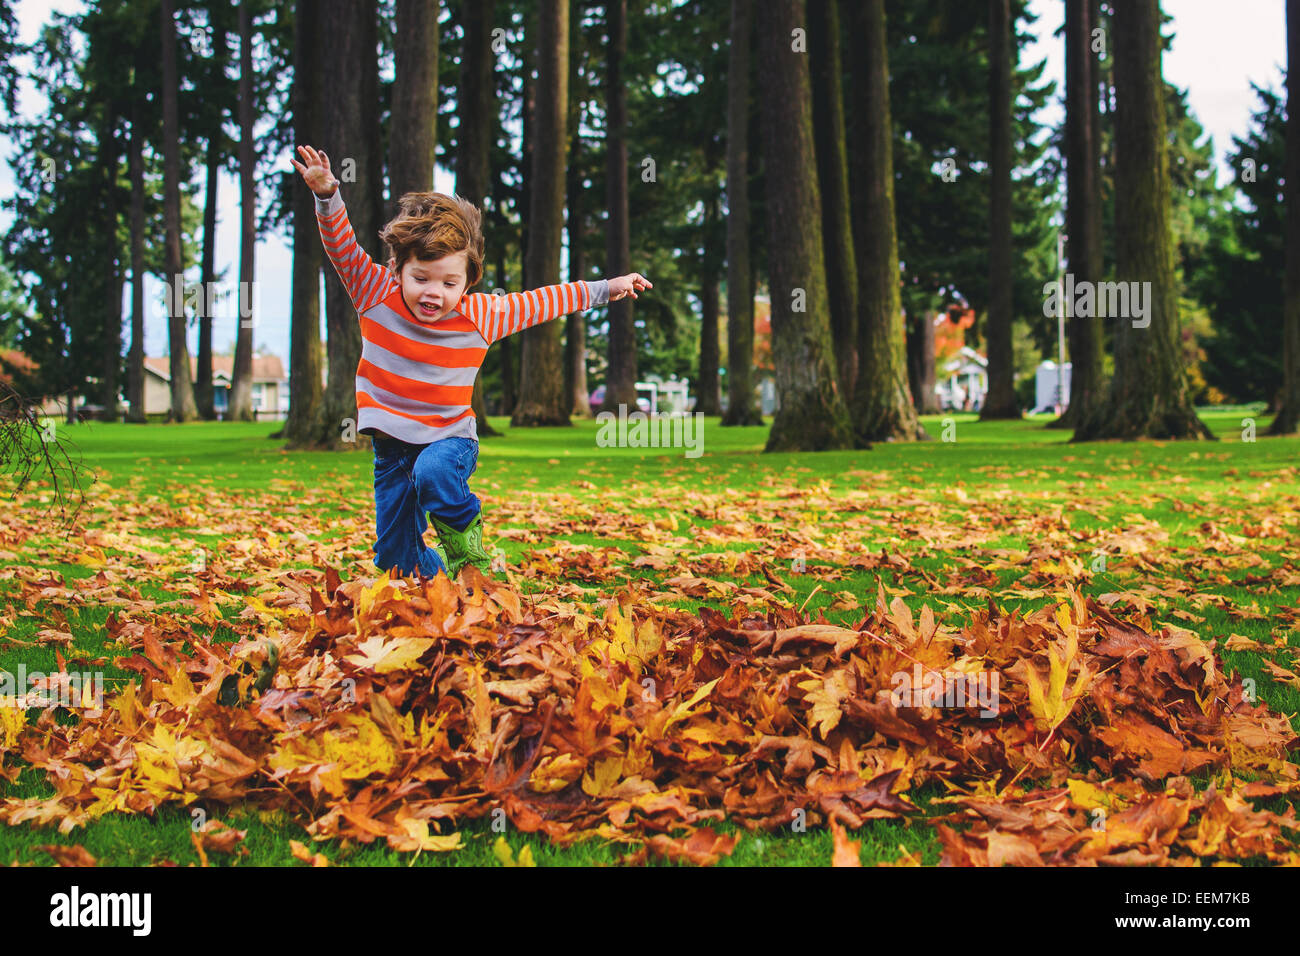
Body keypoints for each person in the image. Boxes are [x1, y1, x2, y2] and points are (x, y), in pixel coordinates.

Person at [291, 145, 652, 579]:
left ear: (469, 280)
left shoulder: (480, 314)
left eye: (449, 282)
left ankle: (471, 560)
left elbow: (546, 300)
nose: (433, 293)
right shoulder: (374, 294)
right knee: (394, 562)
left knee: (435, 471)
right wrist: (327, 196)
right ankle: (443, 585)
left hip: (448, 439)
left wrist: (607, 287)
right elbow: (342, 249)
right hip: (390, 450)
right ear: (398, 268)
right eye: (420, 278)